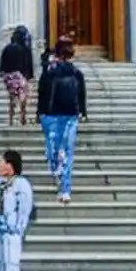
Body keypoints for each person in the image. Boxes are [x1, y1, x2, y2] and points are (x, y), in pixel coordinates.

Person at [35, 38, 86, 204]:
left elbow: (41, 92)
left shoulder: (50, 72)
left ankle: (60, 177)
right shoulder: (75, 73)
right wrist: (82, 112)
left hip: (53, 114)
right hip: (67, 114)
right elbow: (81, 94)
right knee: (66, 152)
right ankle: (65, 189)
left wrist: (39, 112)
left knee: (55, 148)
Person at [0, 26, 35, 126]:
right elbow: (28, 64)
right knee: (24, 97)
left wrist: (2, 73)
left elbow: (2, 63)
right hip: (21, 76)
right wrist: (29, 76)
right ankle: (23, 116)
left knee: (12, 98)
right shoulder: (25, 49)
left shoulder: (7, 48)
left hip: (9, 76)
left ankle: (11, 118)